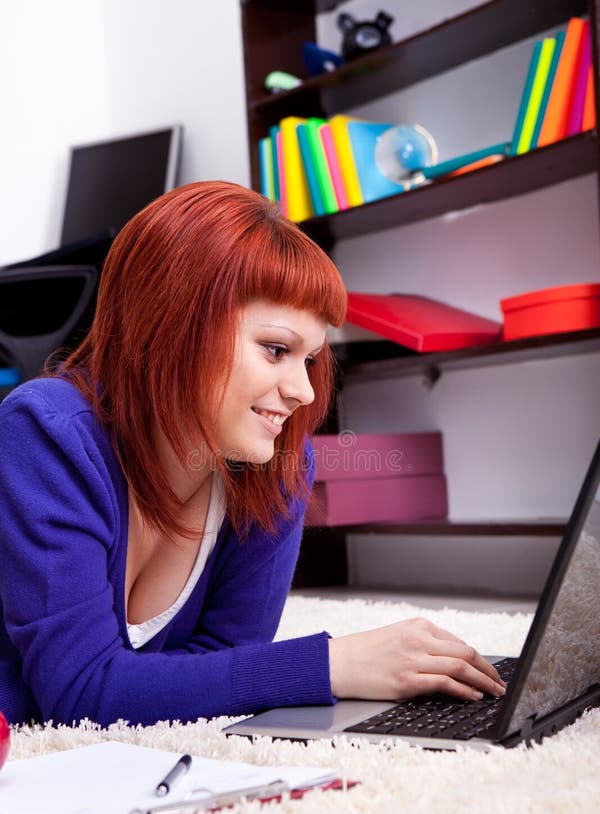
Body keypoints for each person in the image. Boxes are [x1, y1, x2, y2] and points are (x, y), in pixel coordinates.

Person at [0, 181, 505, 727]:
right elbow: (80, 692)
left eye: (309, 360)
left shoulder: (278, 466)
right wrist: (332, 664)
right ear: (171, 324)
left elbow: (226, 663)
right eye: (276, 349)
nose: (304, 392)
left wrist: (142, 684)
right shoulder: (46, 433)